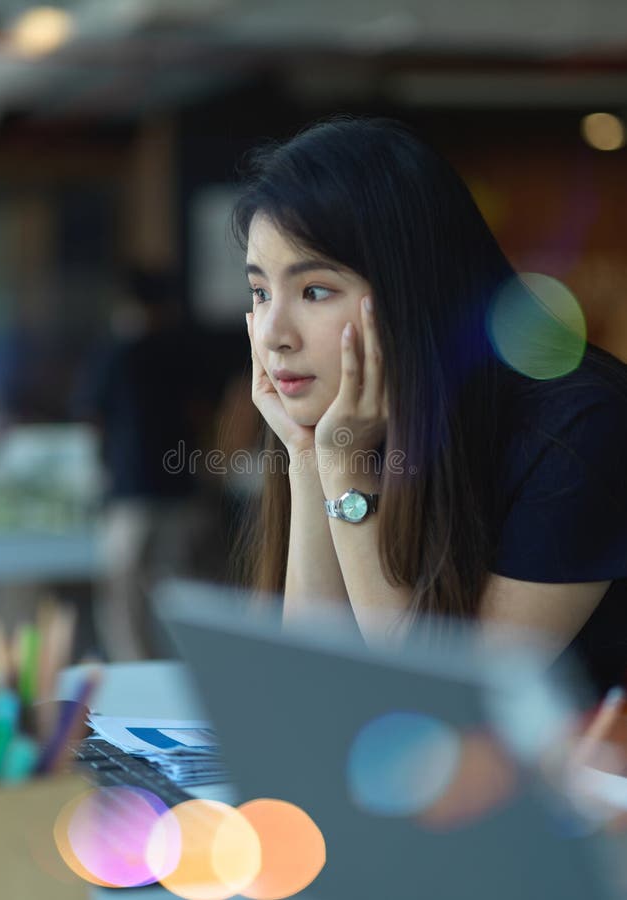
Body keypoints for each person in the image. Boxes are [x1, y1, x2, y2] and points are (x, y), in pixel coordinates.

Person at [232, 115, 627, 697]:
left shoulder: (581, 423)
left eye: (314, 290)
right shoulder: (360, 418)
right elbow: (309, 688)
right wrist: (309, 453)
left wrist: (342, 470)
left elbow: (444, 701)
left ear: (412, 289)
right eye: (260, 293)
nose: (272, 334)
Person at [74, 267, 211, 660]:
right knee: (184, 589)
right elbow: (203, 413)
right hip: (180, 488)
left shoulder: (114, 351)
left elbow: (91, 416)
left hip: (130, 491)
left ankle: (135, 671)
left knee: (124, 599)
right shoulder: (182, 349)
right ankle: (193, 670)